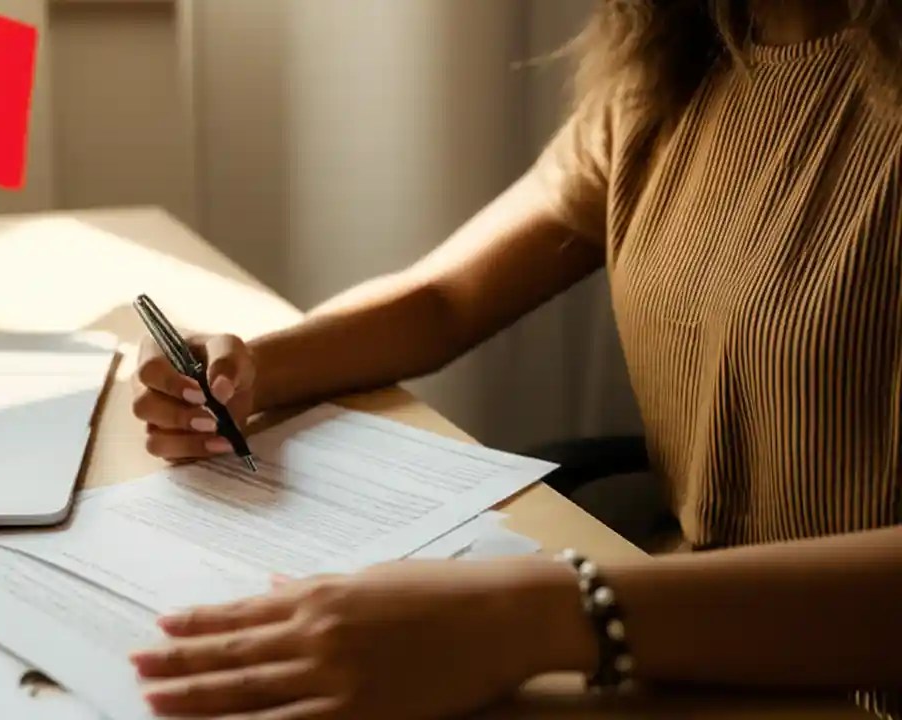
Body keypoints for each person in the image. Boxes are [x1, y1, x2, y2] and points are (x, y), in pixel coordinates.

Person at [126, 0, 902, 718]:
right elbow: (446, 298)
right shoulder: (684, 57)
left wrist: (533, 614)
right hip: (681, 651)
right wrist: (251, 370)